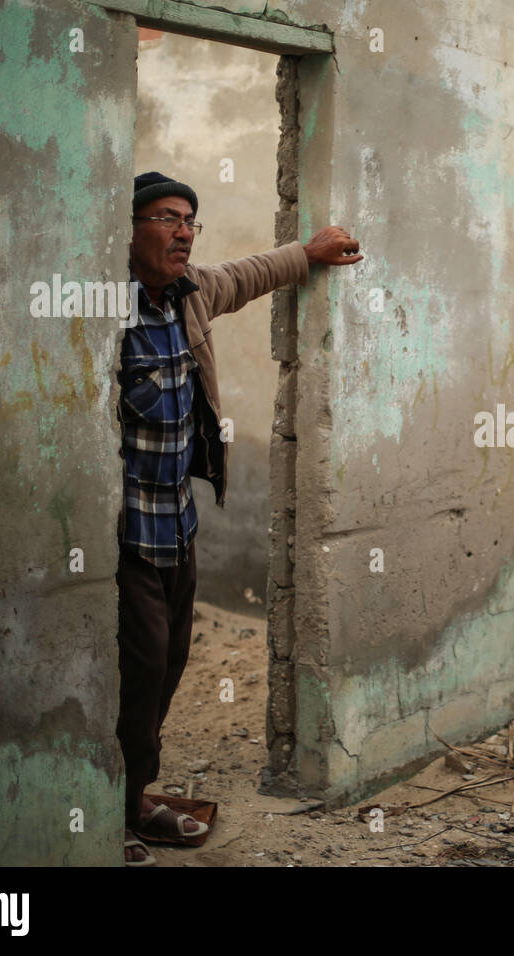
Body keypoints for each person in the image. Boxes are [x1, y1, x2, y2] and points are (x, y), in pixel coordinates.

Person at [117, 172, 362, 865]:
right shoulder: (105, 307)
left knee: (168, 662)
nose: (184, 232)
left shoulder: (192, 297)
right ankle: (113, 811)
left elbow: (248, 275)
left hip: (177, 524)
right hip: (123, 534)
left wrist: (309, 253)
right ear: (129, 228)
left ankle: (130, 798)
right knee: (135, 672)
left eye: (191, 220)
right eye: (167, 218)